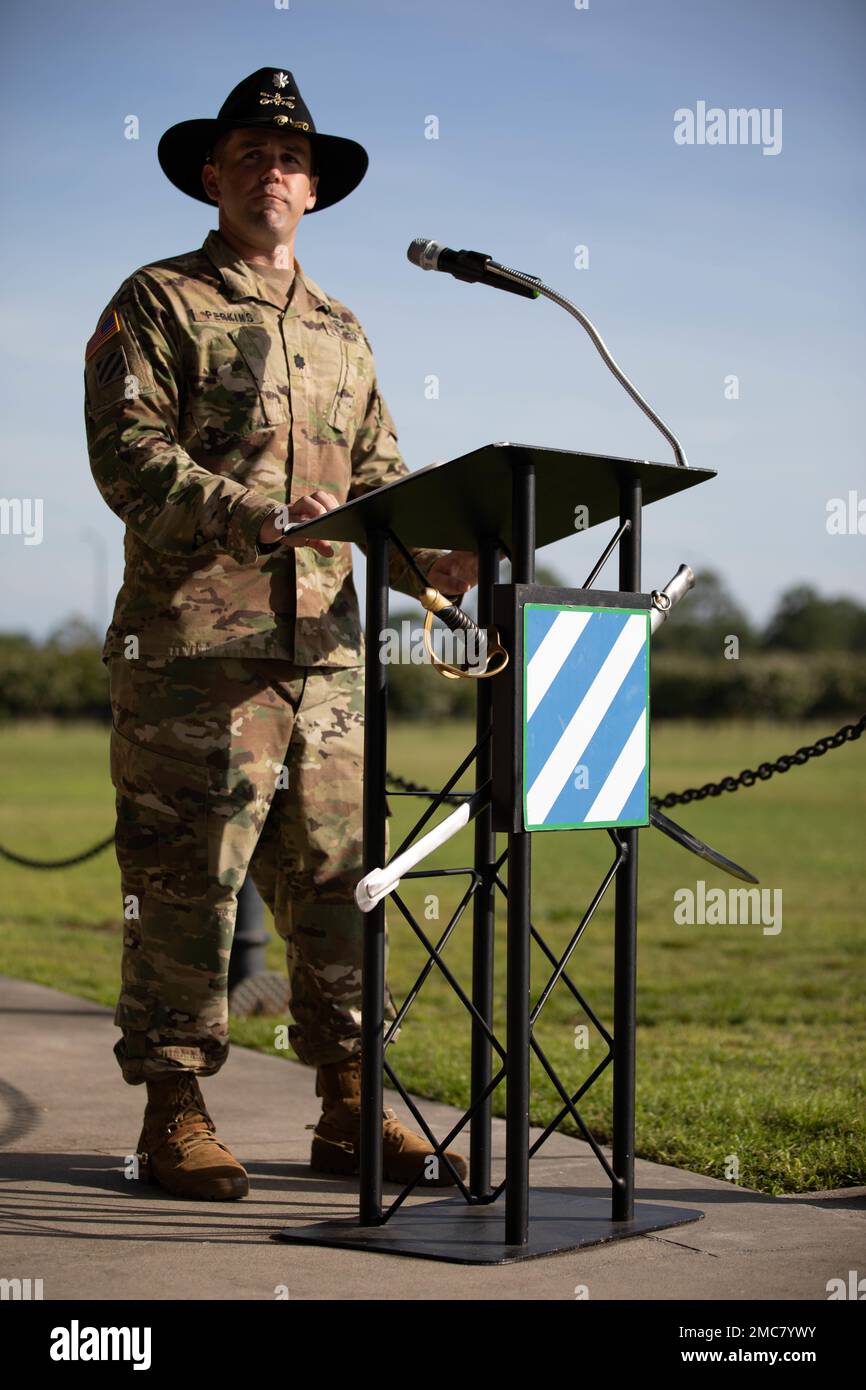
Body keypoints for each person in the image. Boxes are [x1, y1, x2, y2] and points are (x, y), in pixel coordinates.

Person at [85, 68, 477, 1200]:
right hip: (195, 659)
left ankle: (350, 1102)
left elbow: (379, 482)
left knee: (342, 884)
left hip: (330, 663)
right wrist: (251, 512)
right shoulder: (155, 301)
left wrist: (434, 563)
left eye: (291, 159)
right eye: (250, 153)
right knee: (186, 885)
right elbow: (129, 457)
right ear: (211, 177)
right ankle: (174, 1112)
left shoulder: (343, 330)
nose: (273, 171)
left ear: (315, 191)